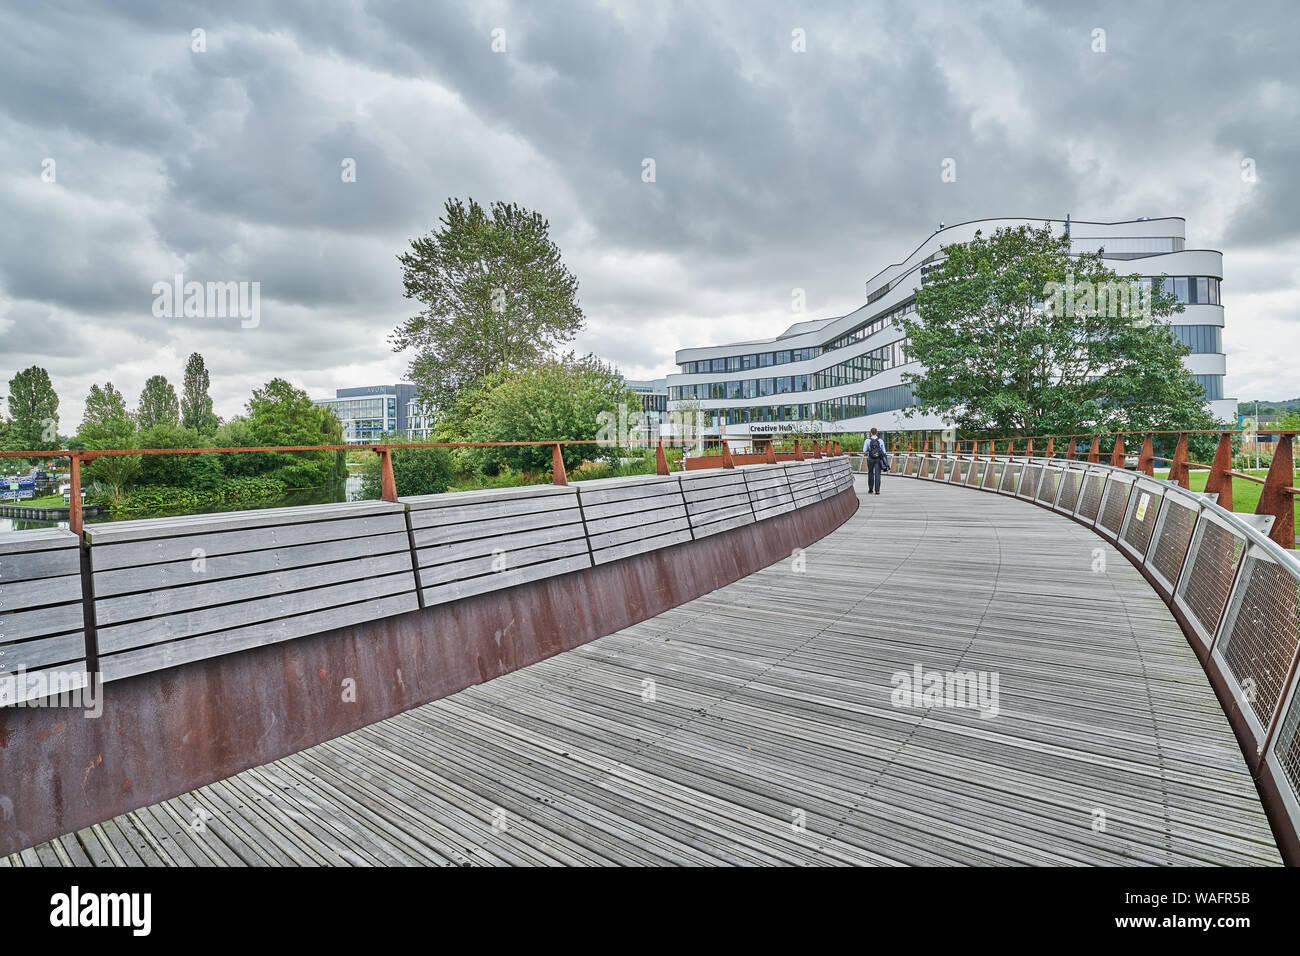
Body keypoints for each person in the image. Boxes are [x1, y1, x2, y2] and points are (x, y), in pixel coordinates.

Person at [865, 428, 887, 495]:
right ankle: (877, 490)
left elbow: (864, 450)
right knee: (877, 474)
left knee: (870, 473)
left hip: (870, 459)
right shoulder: (880, 440)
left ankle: (870, 489)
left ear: (871, 433)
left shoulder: (867, 440)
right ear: (877, 433)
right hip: (878, 459)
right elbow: (884, 451)